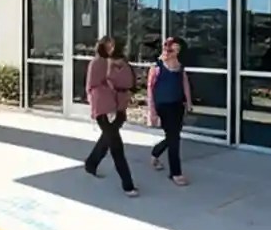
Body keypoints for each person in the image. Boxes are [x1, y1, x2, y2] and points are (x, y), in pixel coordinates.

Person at [82, 35, 138, 197]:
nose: (110, 48)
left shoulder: (123, 62)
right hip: (104, 108)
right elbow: (93, 87)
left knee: (107, 139)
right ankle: (128, 184)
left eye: (113, 45)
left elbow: (129, 83)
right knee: (116, 146)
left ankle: (91, 163)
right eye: (107, 45)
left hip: (120, 108)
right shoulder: (98, 62)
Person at [147, 36, 193, 186]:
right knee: (174, 138)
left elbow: (185, 84)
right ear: (168, 48)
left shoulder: (179, 66)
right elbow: (150, 89)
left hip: (177, 105)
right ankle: (176, 173)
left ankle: (156, 152)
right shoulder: (157, 66)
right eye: (174, 49)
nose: (176, 52)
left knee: (173, 136)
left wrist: (189, 102)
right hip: (163, 106)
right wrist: (152, 111)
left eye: (178, 50)